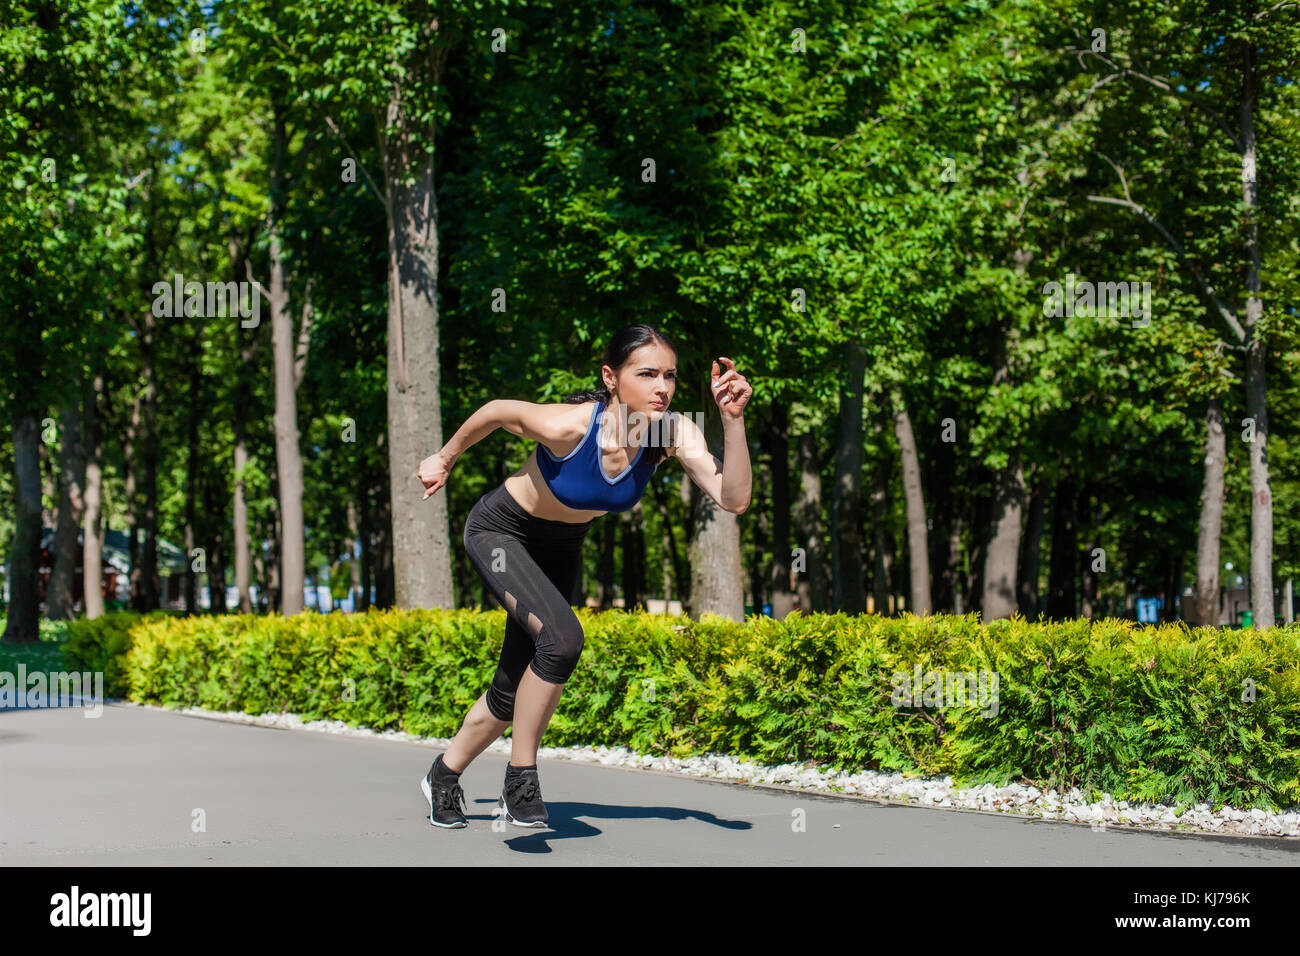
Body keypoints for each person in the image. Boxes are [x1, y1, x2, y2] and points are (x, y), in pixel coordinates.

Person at [415, 324, 753, 829]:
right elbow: (496, 411)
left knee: (511, 691)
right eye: (646, 374)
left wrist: (732, 421)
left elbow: (734, 498)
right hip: (503, 533)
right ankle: (520, 777)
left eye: (670, 376)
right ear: (610, 378)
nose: (662, 387)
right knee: (563, 641)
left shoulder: (670, 432)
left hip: (561, 548)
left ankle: (442, 775)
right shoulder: (569, 426)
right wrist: (444, 458)